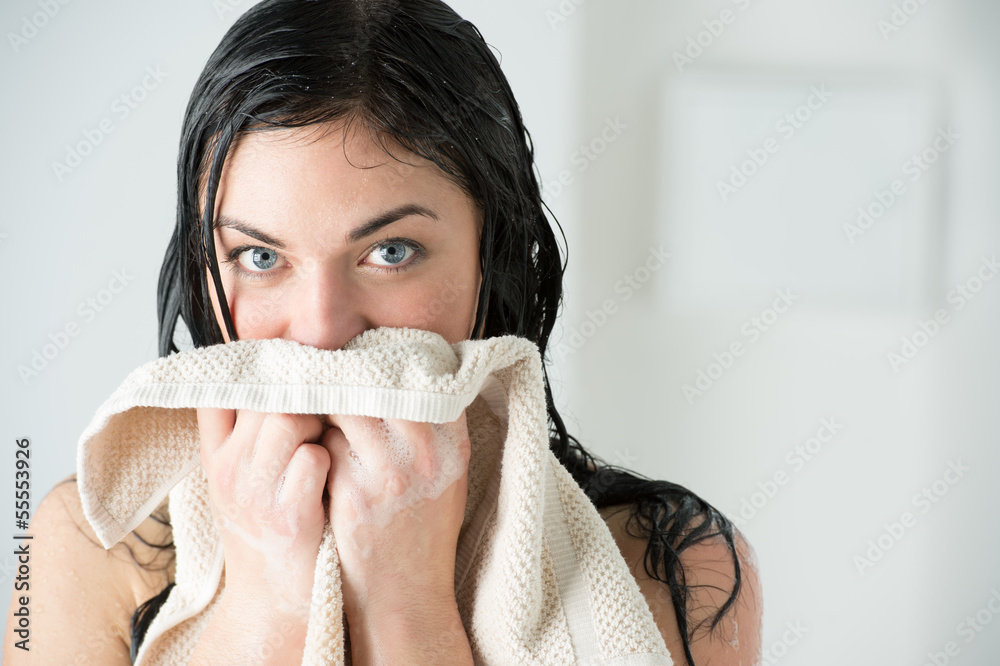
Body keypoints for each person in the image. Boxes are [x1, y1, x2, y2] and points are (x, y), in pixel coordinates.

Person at [6, 0, 762, 663]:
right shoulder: (86, 546)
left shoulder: (675, 569)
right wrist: (268, 598)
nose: (322, 330)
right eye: (261, 256)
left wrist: (405, 608)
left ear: (490, 258)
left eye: (389, 253)